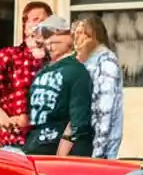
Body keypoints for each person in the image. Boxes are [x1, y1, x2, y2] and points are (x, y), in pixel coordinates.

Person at [0, 1, 52, 149]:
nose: (39, 25)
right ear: (25, 27)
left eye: (44, 21)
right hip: (14, 142)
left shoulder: (56, 60)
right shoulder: (9, 56)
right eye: (34, 20)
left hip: (48, 143)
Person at [23, 15, 95, 157]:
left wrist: (61, 158)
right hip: (32, 149)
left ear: (68, 36)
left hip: (56, 153)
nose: (48, 41)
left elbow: (77, 123)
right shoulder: (42, 72)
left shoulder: (77, 71)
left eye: (51, 34)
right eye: (44, 36)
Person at [73, 16, 125, 159]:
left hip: (100, 144)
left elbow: (105, 109)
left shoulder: (106, 61)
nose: (76, 37)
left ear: (93, 35)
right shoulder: (87, 60)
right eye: (75, 33)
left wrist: (98, 151)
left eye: (81, 32)